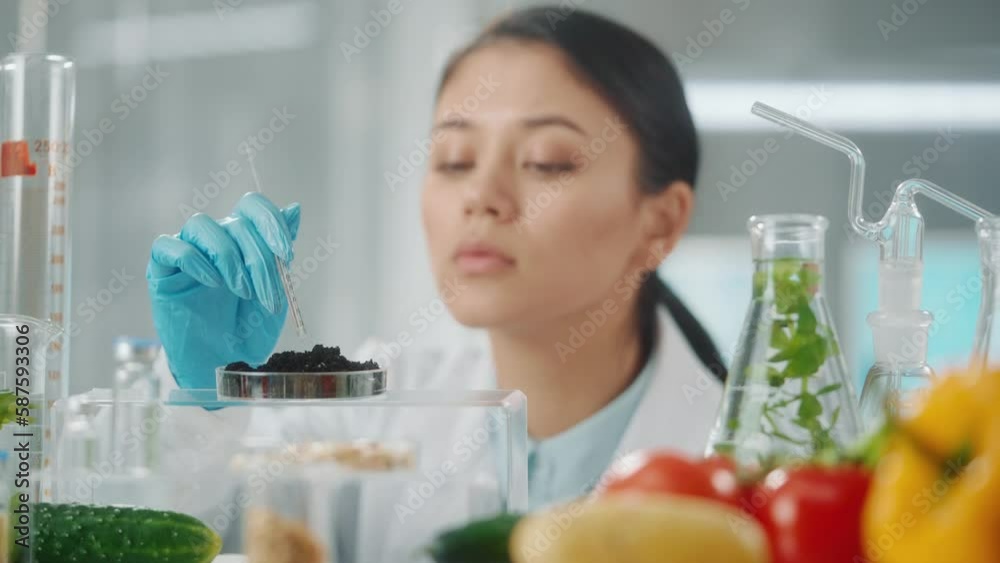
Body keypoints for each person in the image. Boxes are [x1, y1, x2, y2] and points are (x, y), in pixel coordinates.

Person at [146, 5, 726, 532]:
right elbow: (200, 528)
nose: (482, 196)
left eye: (546, 162)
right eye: (455, 160)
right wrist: (206, 400)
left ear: (661, 223)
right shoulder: (369, 414)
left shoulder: (745, 460)